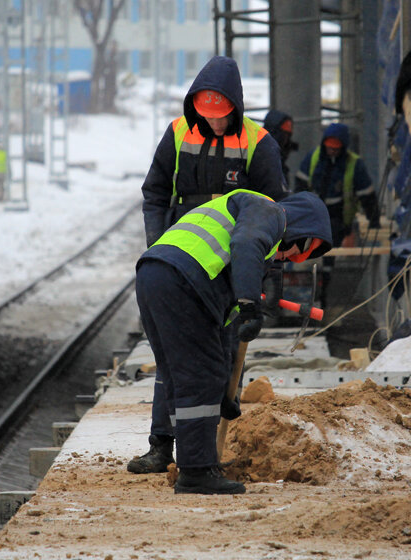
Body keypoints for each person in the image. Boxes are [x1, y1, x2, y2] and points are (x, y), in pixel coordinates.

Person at [131, 56, 288, 475]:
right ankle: (162, 446)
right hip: (180, 263)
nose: (215, 124)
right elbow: (156, 192)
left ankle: (202, 455)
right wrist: (159, 243)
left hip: (226, 273)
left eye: (222, 117)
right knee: (173, 359)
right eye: (207, 116)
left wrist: (255, 284)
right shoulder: (179, 133)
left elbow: (272, 214)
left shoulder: (259, 143)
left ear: (236, 107)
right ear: (195, 107)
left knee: (215, 361)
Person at [135, 189, 332, 494]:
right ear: (301, 229)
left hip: (154, 274)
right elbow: (247, 243)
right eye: (302, 250)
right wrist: (250, 302)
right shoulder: (269, 212)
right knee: (199, 375)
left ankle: (193, 461)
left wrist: (226, 388)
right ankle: (197, 471)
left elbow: (225, 329)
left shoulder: (238, 227)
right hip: (183, 278)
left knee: (181, 373)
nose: (293, 258)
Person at [295, 122, 380, 246]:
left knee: (331, 241)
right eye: (330, 147)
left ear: (343, 147)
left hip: (339, 214)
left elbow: (367, 195)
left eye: (336, 148)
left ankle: (328, 264)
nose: (332, 151)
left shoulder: (354, 164)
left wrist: (374, 220)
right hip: (315, 212)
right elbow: (300, 185)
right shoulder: (313, 157)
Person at [262, 109, 298, 182]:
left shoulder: (280, 160)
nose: (286, 138)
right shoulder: (262, 157)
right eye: (284, 133)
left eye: (288, 134)